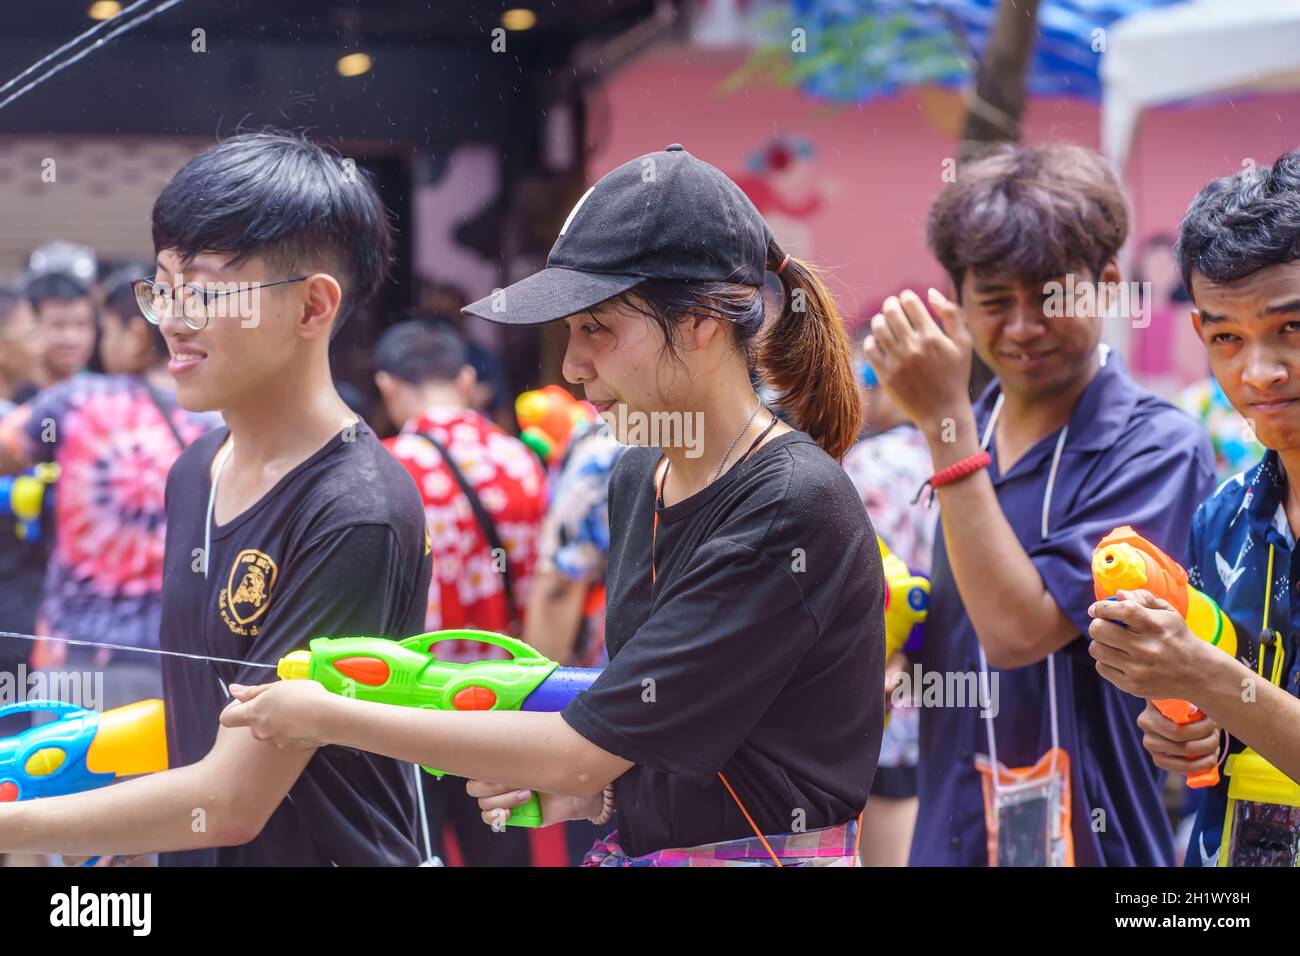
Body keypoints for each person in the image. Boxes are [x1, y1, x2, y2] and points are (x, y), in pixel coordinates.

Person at [219, 143, 884, 867]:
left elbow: (579, 753)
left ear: (701, 323)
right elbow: (661, 733)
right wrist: (595, 795)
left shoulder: (791, 502)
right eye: (571, 333)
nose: (572, 366)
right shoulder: (638, 477)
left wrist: (330, 717)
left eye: (597, 328)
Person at [0, 130, 431, 866]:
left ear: (311, 306)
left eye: (201, 286)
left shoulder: (355, 508)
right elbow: (208, 711)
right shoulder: (195, 467)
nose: (169, 315)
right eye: (161, 283)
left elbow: (233, 800)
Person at [867, 142, 1217, 866]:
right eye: (995, 300)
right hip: (950, 838)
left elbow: (1020, 631)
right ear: (957, 303)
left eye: (1051, 295)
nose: (1024, 326)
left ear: (1110, 284)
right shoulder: (979, 429)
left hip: (1097, 845)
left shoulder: (1157, 447)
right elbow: (966, 644)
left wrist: (945, 430)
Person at [1087, 148, 1300, 867]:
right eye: (1227, 338)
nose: (1260, 372)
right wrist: (1187, 725)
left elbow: (1219, 680)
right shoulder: (1225, 518)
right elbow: (1215, 728)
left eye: (1291, 329)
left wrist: (1205, 676)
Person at [0, 265, 219, 709]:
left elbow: (8, 446)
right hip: (171, 656)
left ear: (136, 333)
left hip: (74, 652)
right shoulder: (213, 421)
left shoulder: (75, 401)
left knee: (61, 777)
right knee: (159, 779)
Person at [374, 319, 545, 866]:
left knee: (417, 844)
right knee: (501, 841)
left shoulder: (385, 466)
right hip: (506, 698)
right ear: (467, 379)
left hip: (413, 701)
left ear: (387, 386)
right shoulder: (519, 459)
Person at [842, 352, 936, 866]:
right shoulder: (971, 453)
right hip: (955, 707)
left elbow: (861, 596)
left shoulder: (873, 465)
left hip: (883, 710)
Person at [24, 271, 96, 387]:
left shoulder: (101, 393)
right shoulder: (13, 397)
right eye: (58, 325)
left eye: (81, 324)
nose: (71, 338)